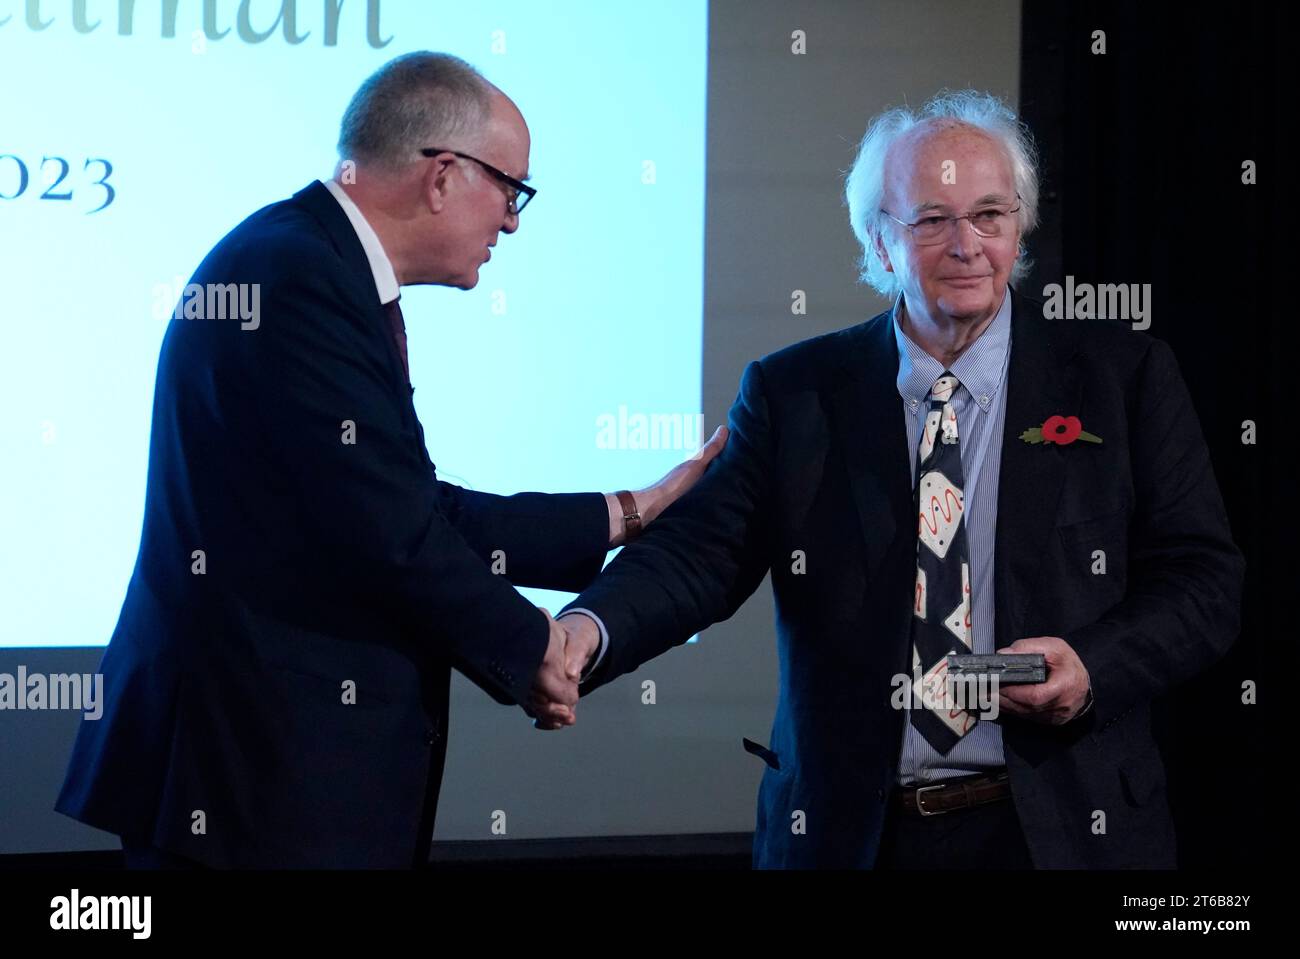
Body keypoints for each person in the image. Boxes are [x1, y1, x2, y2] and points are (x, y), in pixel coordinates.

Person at [54, 51, 724, 869]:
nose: (512, 220)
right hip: (248, 785)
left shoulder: (306, 261)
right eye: (512, 190)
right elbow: (393, 533)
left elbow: (404, 505)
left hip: (266, 779)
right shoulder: (297, 277)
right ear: (442, 176)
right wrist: (533, 648)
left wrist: (630, 510)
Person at [545, 91, 1245, 869]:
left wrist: (1092, 667)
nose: (968, 244)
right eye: (933, 220)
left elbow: (1204, 581)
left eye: (990, 215)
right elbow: (698, 556)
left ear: (1020, 226)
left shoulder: (1124, 378)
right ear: (879, 243)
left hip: (1062, 830)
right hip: (854, 838)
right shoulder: (796, 392)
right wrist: (587, 629)